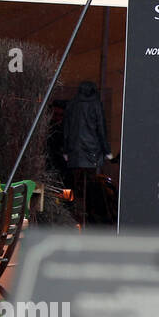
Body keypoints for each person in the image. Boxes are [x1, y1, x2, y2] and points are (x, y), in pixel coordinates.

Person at [63, 81, 114, 226]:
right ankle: (91, 219)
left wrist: (66, 150)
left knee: (77, 187)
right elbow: (101, 129)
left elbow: (66, 129)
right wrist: (107, 151)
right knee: (92, 186)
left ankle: (77, 219)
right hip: (92, 153)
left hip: (75, 153)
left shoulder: (72, 104)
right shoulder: (96, 105)